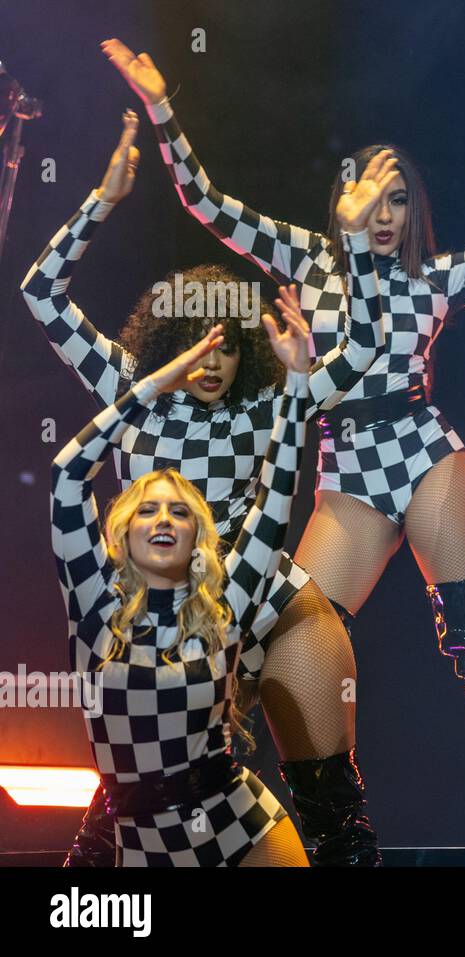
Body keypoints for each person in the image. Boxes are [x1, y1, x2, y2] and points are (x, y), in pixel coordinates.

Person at [102, 37, 465, 844]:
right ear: (344, 197)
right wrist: (161, 109)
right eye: (374, 196)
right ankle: (204, 799)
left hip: (424, 450)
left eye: (401, 199)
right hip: (345, 471)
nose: (387, 214)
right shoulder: (303, 256)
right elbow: (204, 201)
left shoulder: (436, 278)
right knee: (278, 634)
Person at [21, 109, 392, 865]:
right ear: (164, 340)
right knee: (136, 796)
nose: (214, 359)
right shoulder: (132, 385)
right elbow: (41, 294)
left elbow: (367, 349)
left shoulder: (270, 398)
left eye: (232, 342)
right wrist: (103, 200)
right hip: (163, 617)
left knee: (332, 812)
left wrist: (357, 248)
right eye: (198, 340)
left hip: (258, 598)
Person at [50, 305, 313, 866]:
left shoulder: (225, 606)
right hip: (150, 851)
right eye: (148, 510)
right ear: (120, 533)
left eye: (180, 512)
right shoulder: (94, 606)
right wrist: (155, 385)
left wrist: (296, 384)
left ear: (199, 537)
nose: (165, 519)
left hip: (247, 831)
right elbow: (67, 475)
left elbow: (274, 502)